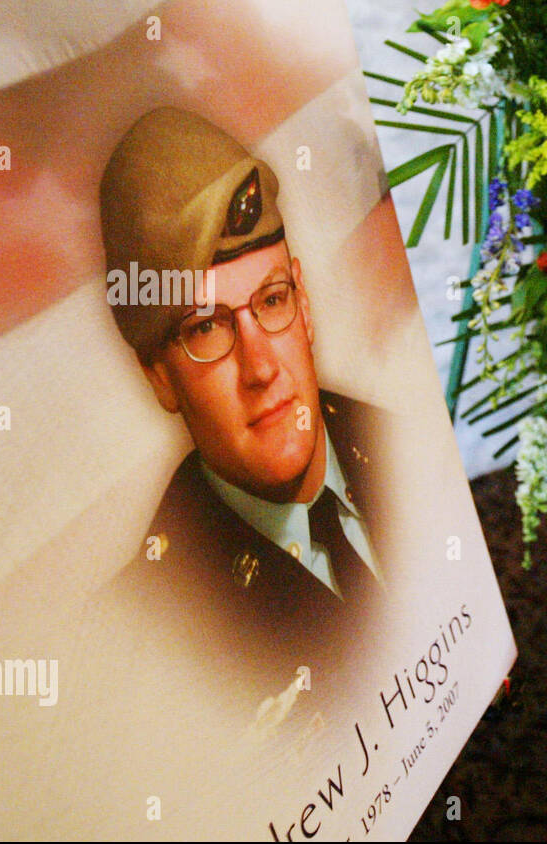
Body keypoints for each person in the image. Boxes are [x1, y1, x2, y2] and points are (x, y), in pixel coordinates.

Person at [98, 107, 390, 697]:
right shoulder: (140, 641)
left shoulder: (404, 448)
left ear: (304, 306)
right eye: (206, 329)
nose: (259, 368)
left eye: (272, 300)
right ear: (158, 377)